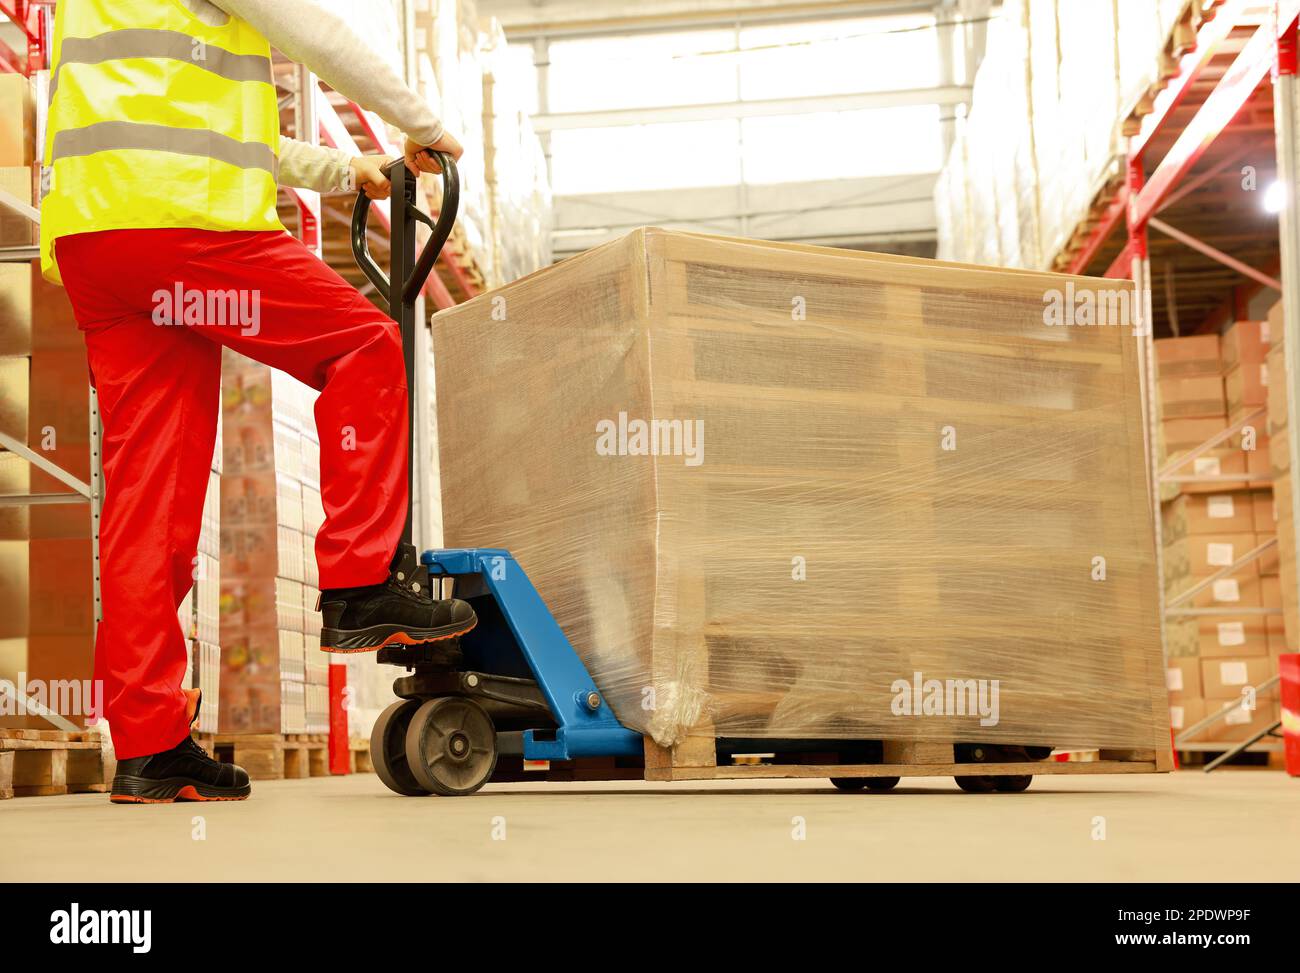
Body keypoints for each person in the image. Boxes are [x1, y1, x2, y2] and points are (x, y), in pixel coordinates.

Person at [39, 0, 477, 803]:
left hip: (101, 244)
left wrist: (345, 171)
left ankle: (150, 747)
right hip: (183, 227)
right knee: (364, 345)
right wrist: (427, 124)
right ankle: (357, 587)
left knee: (150, 493)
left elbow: (209, 137)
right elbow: (314, 29)